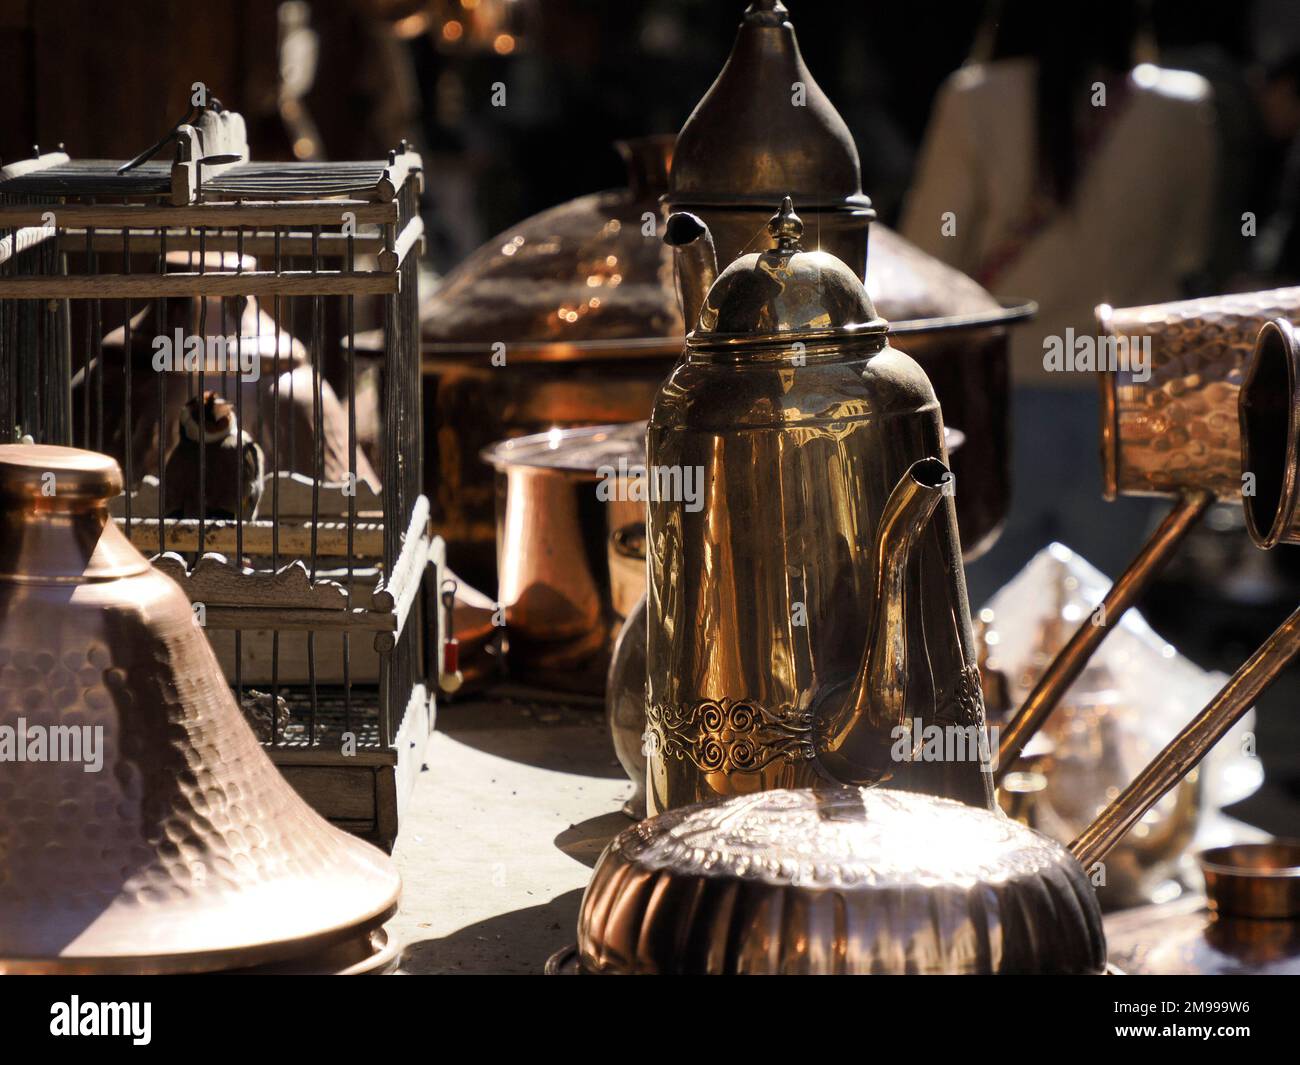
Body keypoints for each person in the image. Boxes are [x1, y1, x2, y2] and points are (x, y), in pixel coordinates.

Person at [900, 0, 1217, 383]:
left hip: (1014, 371)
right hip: (1137, 372)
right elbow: (1190, 253)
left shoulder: (974, 99)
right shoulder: (1182, 104)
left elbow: (928, 259)